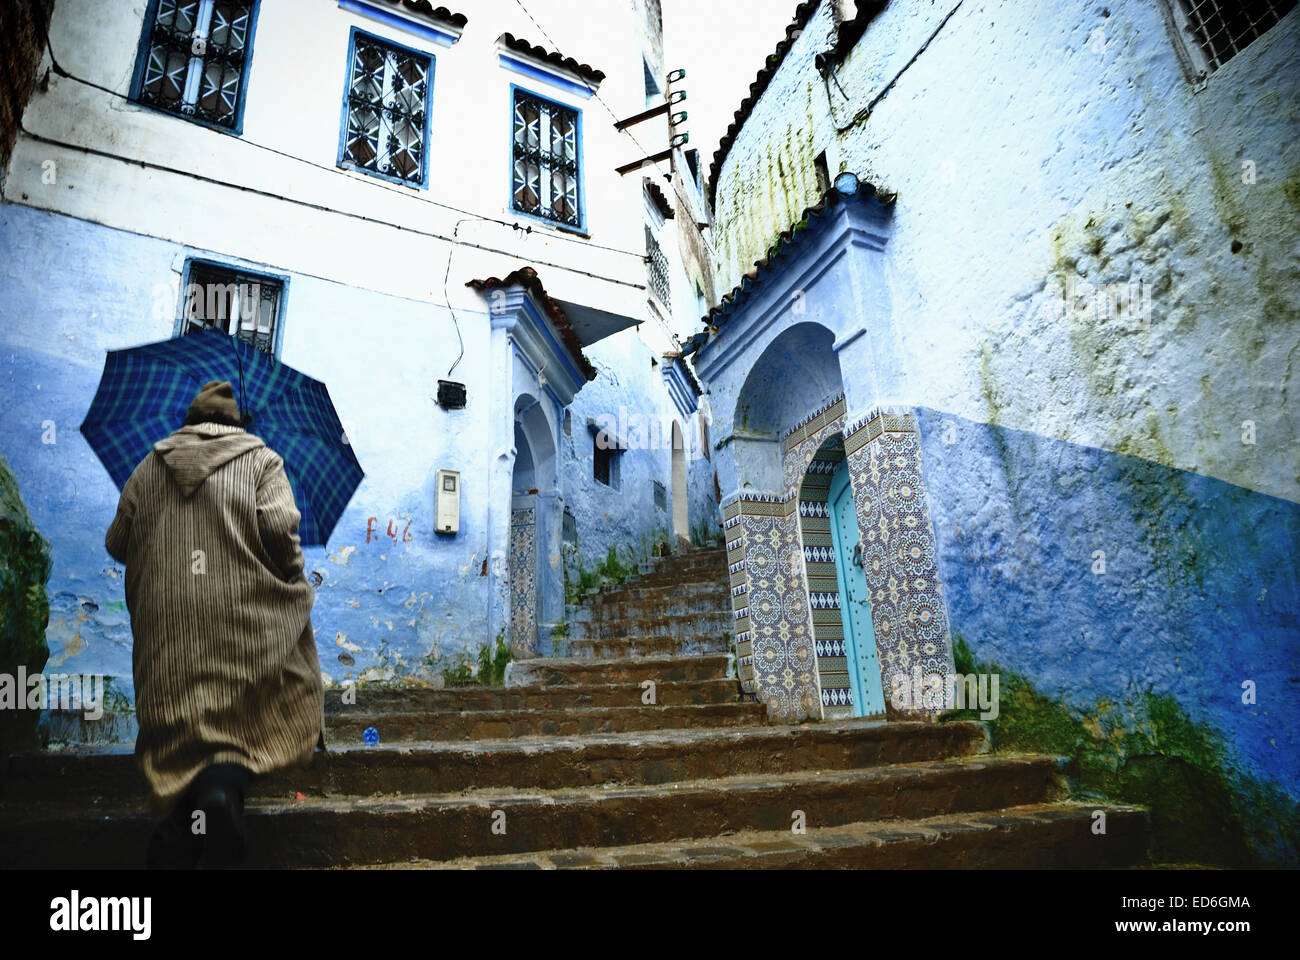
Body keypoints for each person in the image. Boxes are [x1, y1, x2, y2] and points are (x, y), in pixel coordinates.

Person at [105, 380, 324, 868]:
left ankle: (179, 826)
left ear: (190, 421)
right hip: (239, 622)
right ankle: (223, 788)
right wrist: (290, 578)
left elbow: (117, 544)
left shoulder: (148, 466)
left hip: (168, 634)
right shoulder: (262, 462)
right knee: (232, 721)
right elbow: (281, 539)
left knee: (178, 725)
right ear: (234, 424)